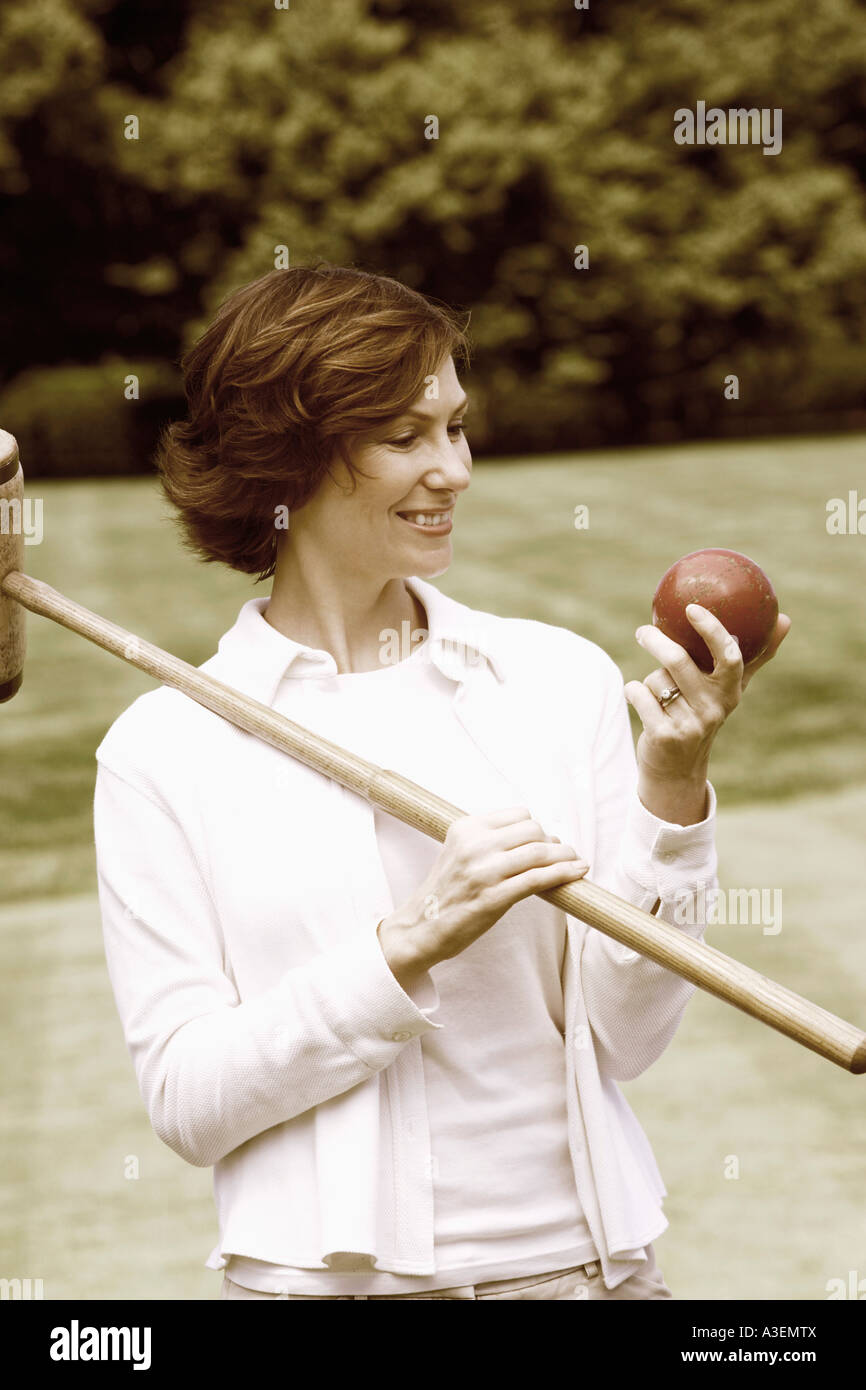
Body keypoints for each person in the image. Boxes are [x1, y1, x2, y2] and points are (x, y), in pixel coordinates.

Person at [93, 263, 789, 1301]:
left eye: (455, 428)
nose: (454, 468)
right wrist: (408, 944)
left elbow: (626, 1033)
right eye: (405, 436)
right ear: (291, 453)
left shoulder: (551, 681)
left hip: (584, 1274)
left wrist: (671, 790)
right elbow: (191, 1102)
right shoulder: (166, 749)